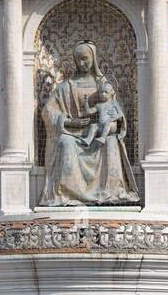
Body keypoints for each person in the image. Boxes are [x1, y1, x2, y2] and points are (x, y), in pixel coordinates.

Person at [38, 40, 138, 207]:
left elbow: (116, 112)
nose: (81, 63)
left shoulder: (105, 86)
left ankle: (111, 192)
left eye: (85, 58)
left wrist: (112, 125)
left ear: (94, 58)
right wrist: (69, 122)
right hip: (73, 134)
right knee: (65, 142)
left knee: (111, 141)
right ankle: (70, 194)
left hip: (100, 134)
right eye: (78, 59)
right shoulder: (65, 87)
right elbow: (48, 111)